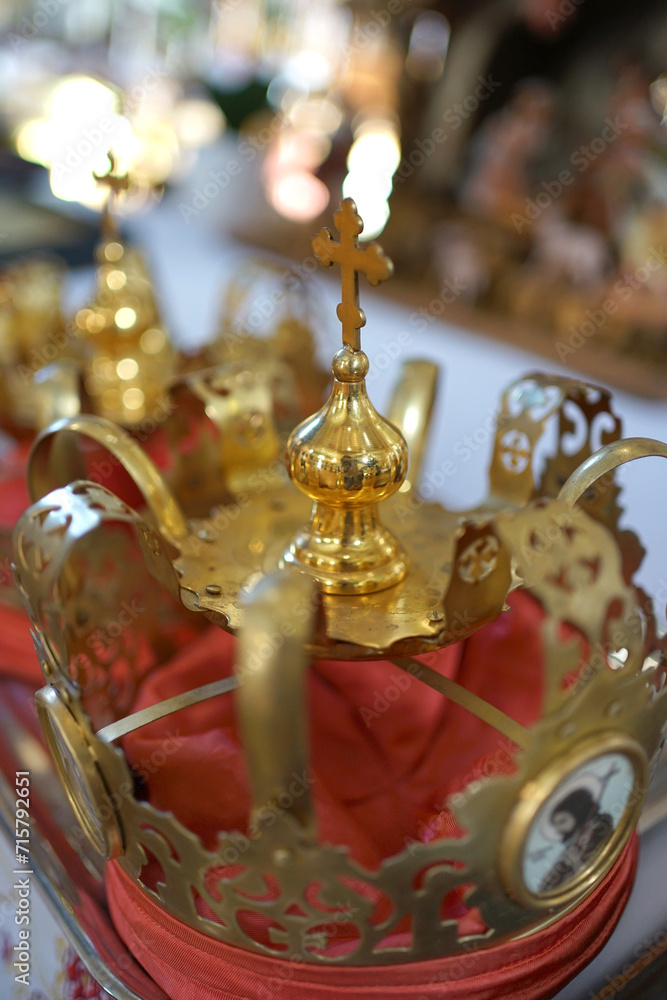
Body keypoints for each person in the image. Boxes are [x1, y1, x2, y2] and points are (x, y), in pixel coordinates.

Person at [539, 787, 614, 893]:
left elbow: (597, 867)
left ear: (576, 811)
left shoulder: (599, 829)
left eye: (562, 821)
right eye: (556, 825)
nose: (559, 829)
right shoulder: (573, 843)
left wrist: (576, 862)